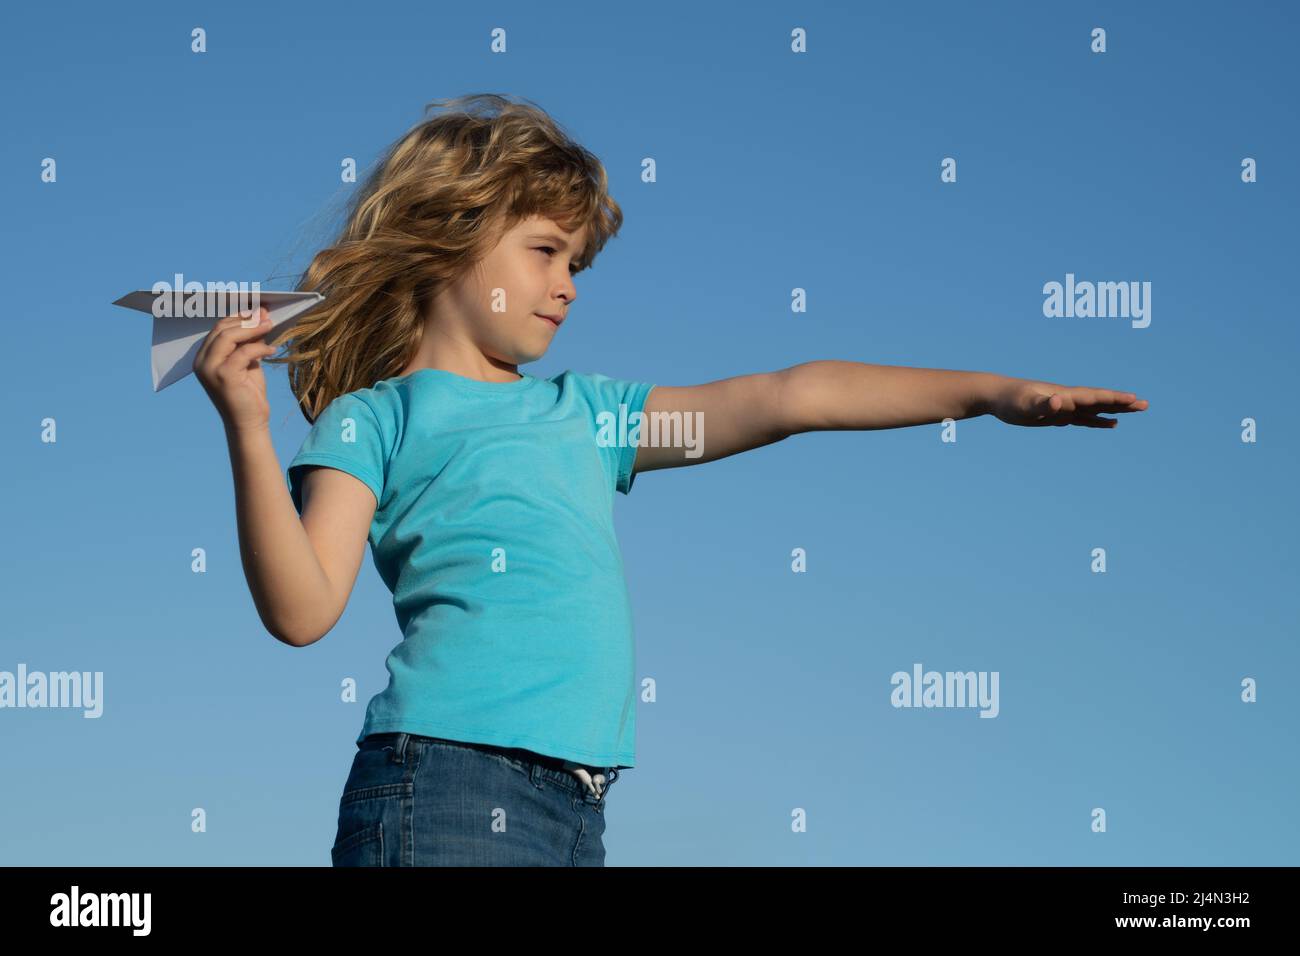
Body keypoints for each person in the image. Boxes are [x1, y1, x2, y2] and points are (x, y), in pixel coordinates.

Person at [194, 93, 1149, 867]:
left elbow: (788, 395)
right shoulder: (380, 417)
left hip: (577, 810)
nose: (569, 284)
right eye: (545, 252)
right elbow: (305, 607)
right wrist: (248, 424)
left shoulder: (590, 416)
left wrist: (989, 394)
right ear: (450, 235)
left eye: (577, 262)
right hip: (444, 788)